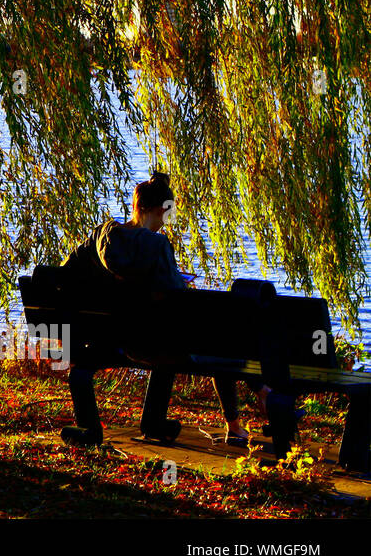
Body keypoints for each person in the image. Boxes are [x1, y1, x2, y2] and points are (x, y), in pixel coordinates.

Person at [65, 171, 258, 445]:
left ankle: (140, 424)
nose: (166, 223)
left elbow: (64, 276)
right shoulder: (157, 246)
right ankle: (256, 399)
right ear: (157, 210)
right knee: (211, 342)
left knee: (162, 336)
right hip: (151, 343)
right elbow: (177, 301)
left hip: (109, 338)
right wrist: (180, 284)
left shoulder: (100, 238)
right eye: (166, 215)